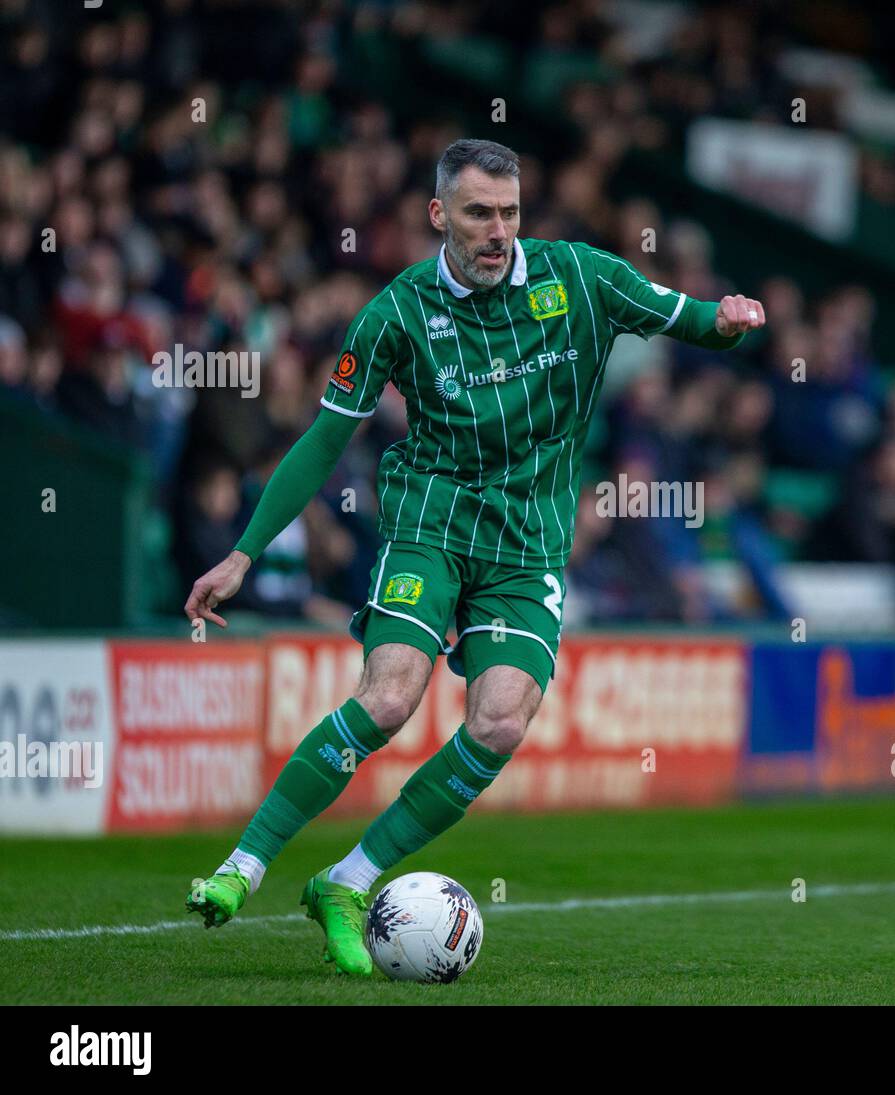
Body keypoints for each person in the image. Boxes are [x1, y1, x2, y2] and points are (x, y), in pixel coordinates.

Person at [182, 139, 766, 976]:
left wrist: (733, 322)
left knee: (498, 720)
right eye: (478, 214)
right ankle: (241, 867)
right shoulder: (396, 312)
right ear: (438, 216)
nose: (498, 232)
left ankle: (347, 881)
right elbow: (323, 439)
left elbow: (692, 320)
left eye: (510, 213)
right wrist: (243, 553)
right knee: (388, 698)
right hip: (431, 523)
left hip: (527, 545)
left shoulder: (582, 279)